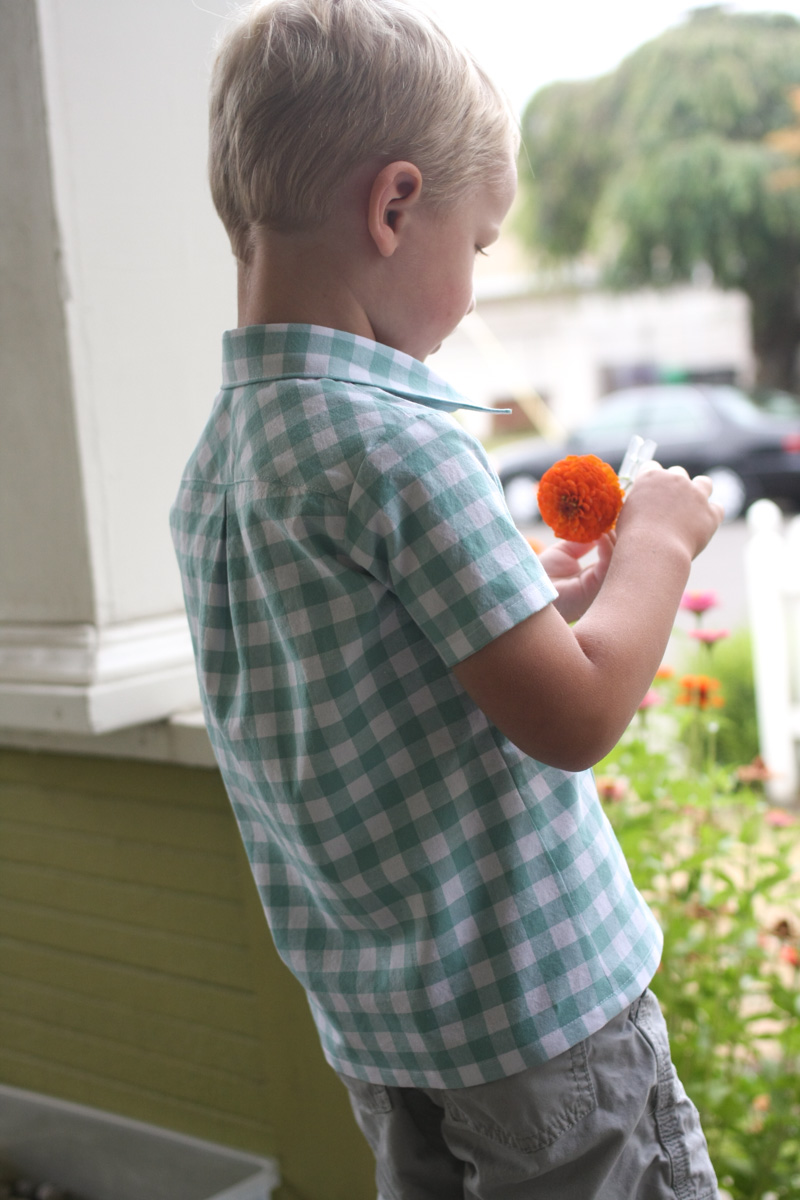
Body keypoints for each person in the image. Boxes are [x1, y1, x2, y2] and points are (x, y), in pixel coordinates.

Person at [170, 1, 723, 1196]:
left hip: (388, 1039)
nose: (472, 290)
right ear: (393, 206)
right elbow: (573, 718)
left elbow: (374, 676)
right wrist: (657, 548)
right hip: (542, 1023)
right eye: (475, 245)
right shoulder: (399, 446)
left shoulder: (219, 467)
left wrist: (537, 605)